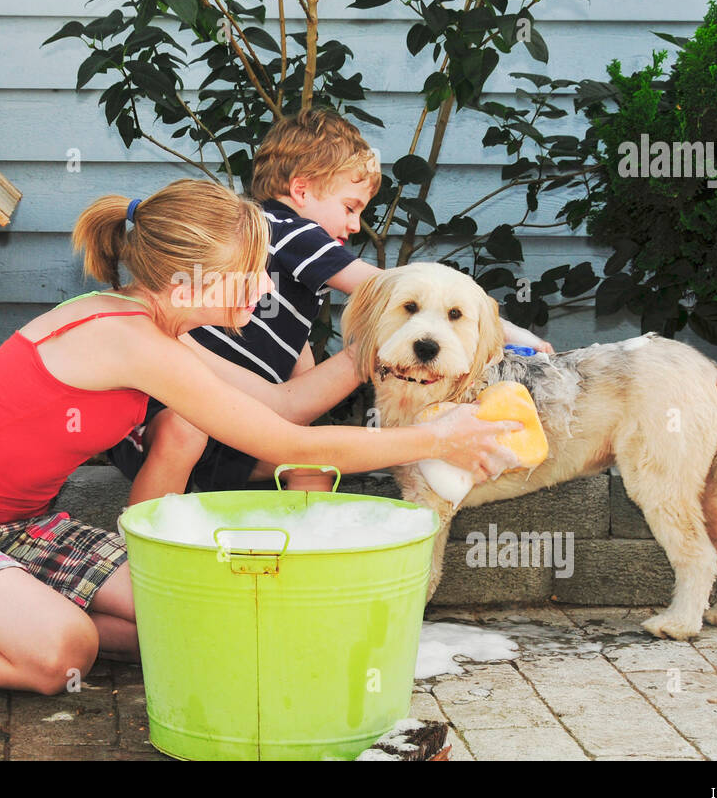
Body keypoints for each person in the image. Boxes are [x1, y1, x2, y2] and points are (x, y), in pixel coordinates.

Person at [0, 179, 524, 694]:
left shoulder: (164, 335)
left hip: (19, 527)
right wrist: (438, 438)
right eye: (251, 272)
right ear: (191, 278)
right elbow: (290, 446)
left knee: (193, 624)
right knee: (63, 655)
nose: (263, 288)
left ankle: (14, 606)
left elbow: (284, 405)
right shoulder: (127, 339)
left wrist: (382, 343)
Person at [109, 108, 553, 504]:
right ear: (300, 190)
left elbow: (297, 401)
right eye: (350, 206)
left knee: (314, 465)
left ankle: (308, 554)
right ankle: (144, 547)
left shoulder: (297, 290)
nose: (355, 225)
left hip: (228, 432)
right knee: (185, 431)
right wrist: (505, 331)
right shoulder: (285, 229)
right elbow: (388, 288)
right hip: (161, 423)